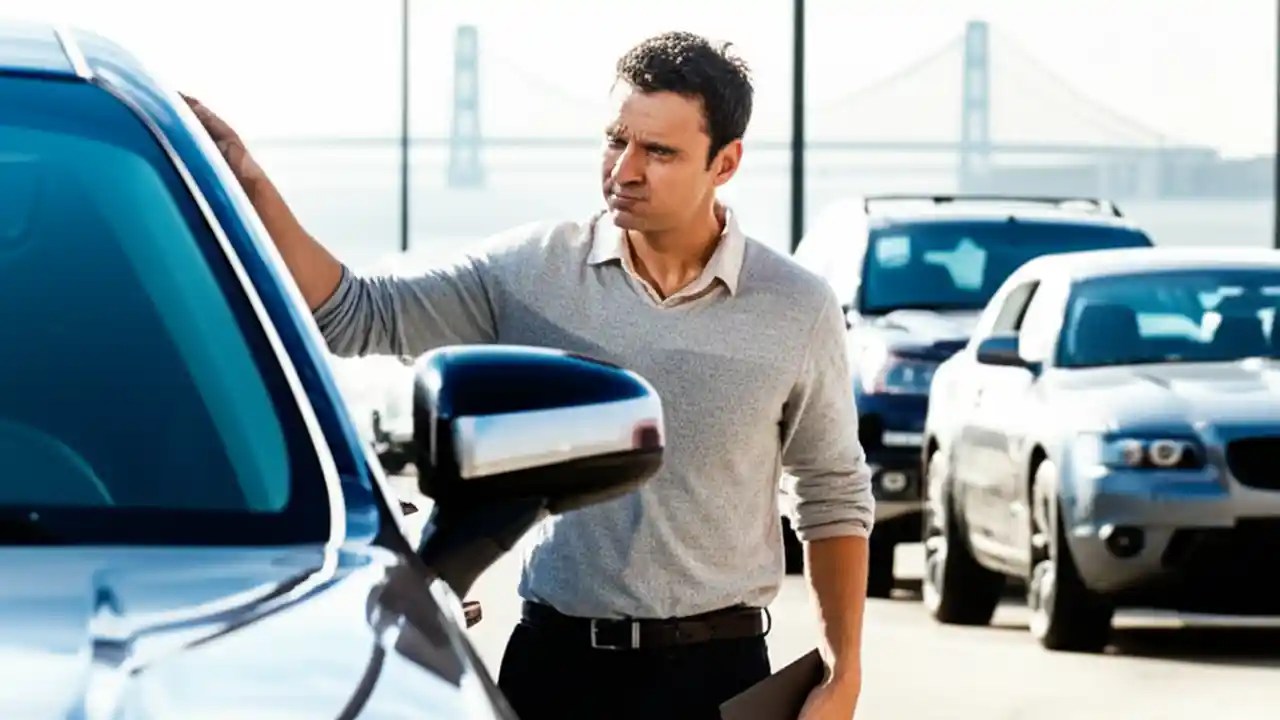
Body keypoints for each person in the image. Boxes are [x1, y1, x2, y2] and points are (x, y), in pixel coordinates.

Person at [187, 30, 875, 720]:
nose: (625, 170)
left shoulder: (796, 306)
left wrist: (842, 672)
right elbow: (354, 314)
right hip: (556, 669)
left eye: (659, 152)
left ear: (725, 163)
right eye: (616, 140)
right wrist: (250, 184)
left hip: (719, 675)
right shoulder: (532, 271)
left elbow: (832, 491)